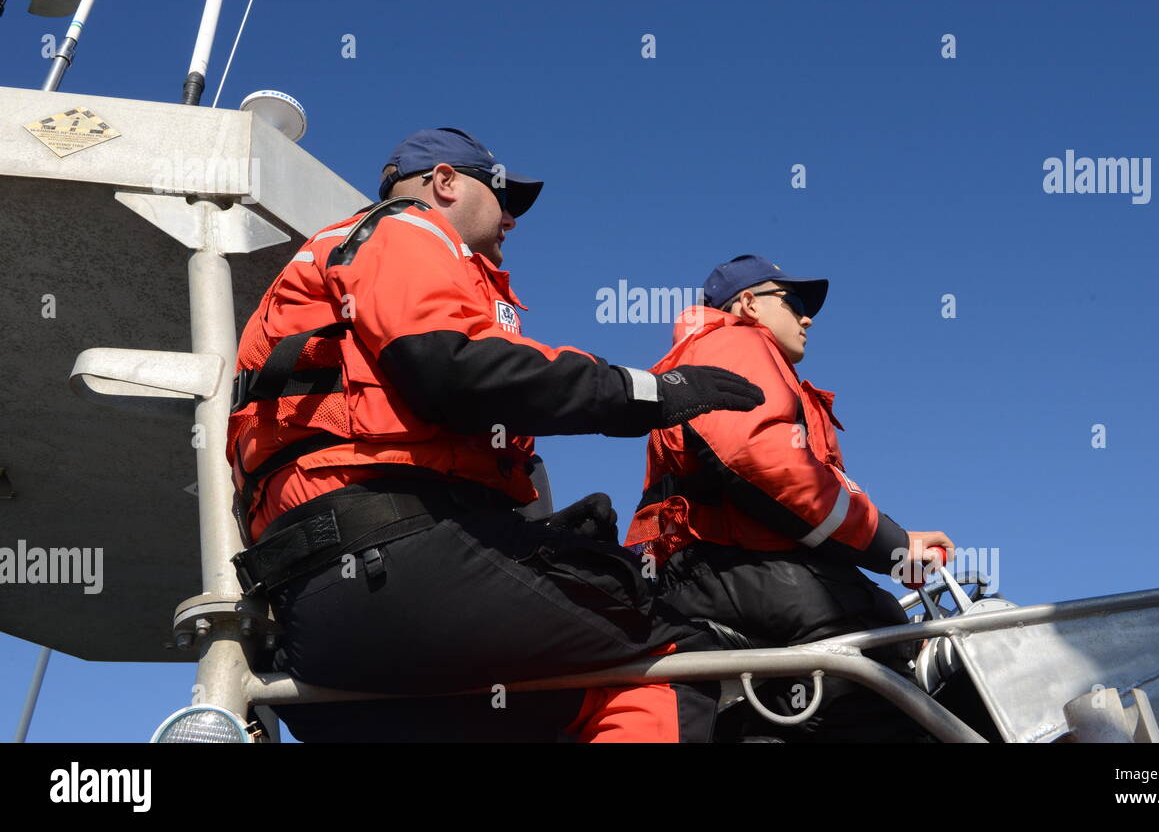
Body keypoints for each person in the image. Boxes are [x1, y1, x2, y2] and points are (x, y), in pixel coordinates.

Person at [226, 128, 764, 742]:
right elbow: (452, 367)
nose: (512, 217)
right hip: (399, 562)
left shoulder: (339, 265)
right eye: (504, 195)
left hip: (315, 615)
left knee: (552, 705)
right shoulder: (407, 228)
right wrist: (652, 393)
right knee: (683, 659)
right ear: (446, 182)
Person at [624, 254, 954, 741]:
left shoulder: (722, 351)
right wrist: (892, 545)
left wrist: (893, 540)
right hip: (734, 570)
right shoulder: (734, 340)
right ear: (749, 304)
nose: (807, 317)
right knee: (873, 660)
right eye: (794, 301)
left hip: (714, 574)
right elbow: (760, 461)